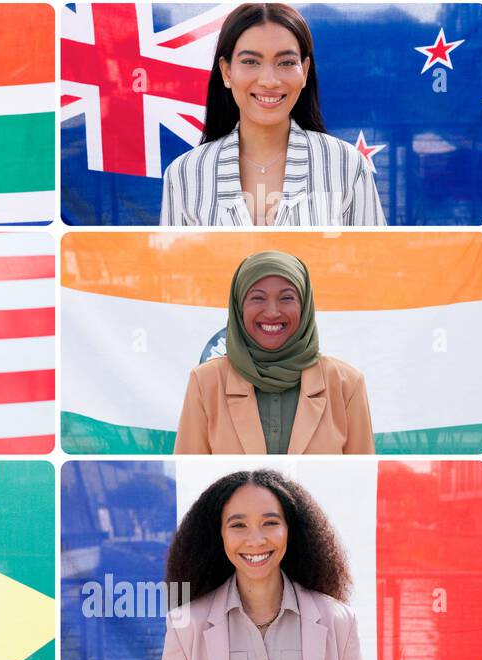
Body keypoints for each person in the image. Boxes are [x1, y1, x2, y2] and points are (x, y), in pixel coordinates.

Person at [160, 3, 385, 226]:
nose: (269, 80)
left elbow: (376, 260)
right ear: (227, 72)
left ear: (305, 71)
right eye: (250, 62)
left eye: (286, 63)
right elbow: (170, 262)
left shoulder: (346, 165)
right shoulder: (183, 175)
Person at [160, 469, 367, 660]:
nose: (256, 540)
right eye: (238, 525)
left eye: (270, 523)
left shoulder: (339, 620)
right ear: (218, 534)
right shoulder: (184, 626)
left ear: (290, 529)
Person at [174, 249, 373, 454]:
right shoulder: (206, 382)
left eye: (286, 298)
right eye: (257, 298)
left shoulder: (346, 385)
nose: (272, 312)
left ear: (304, 307)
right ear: (239, 307)